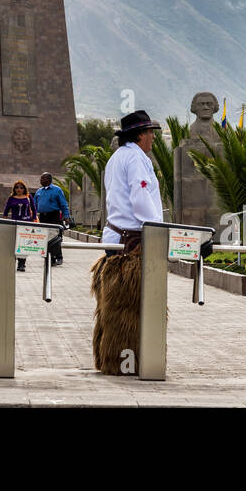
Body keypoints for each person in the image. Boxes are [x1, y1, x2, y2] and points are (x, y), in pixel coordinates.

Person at [92, 110, 167, 375]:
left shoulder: (117, 157)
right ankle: (127, 363)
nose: (152, 139)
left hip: (116, 236)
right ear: (139, 135)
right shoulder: (136, 158)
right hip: (132, 240)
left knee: (111, 307)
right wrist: (157, 229)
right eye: (150, 134)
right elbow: (140, 197)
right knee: (128, 309)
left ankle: (109, 359)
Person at [33, 172, 71, 266]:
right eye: (41, 179)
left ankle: (59, 257)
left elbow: (63, 204)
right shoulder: (39, 191)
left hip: (54, 216)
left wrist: (66, 216)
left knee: (55, 237)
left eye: (43, 178)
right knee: (45, 237)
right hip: (43, 217)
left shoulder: (57, 190)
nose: (41, 180)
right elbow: (34, 205)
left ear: (49, 180)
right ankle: (50, 258)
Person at [3, 181, 38, 271]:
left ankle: (22, 263)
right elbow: (6, 211)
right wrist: (4, 222)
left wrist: (34, 221)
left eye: (21, 188)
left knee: (24, 244)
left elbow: (34, 210)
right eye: (17, 187)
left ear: (24, 189)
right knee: (15, 243)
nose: (19, 189)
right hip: (15, 223)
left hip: (26, 224)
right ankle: (13, 260)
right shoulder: (11, 198)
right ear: (14, 189)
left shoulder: (28, 197)